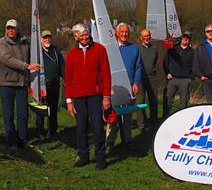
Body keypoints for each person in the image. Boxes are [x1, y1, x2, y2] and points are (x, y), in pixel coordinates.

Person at [65, 23, 111, 170]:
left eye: (86, 34)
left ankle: (100, 157)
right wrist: (69, 101)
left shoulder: (100, 49)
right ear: (76, 37)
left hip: (95, 95)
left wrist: (106, 96)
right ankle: (83, 156)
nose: (84, 37)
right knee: (81, 128)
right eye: (81, 35)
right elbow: (68, 79)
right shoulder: (72, 54)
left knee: (97, 127)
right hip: (78, 97)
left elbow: (106, 74)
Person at [0, 19, 40, 150]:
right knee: (8, 113)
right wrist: (27, 66)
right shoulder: (1, 43)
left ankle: (23, 139)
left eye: (13, 28)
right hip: (7, 83)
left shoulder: (24, 42)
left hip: (22, 83)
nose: (11, 30)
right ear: (5, 29)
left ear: (17, 29)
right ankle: (11, 141)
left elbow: (31, 57)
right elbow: (6, 59)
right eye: (8, 28)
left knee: (23, 113)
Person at [106, 23, 142, 153]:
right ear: (116, 33)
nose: (124, 34)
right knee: (112, 117)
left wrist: (136, 82)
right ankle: (110, 142)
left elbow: (138, 67)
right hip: (113, 88)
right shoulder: (110, 48)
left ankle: (127, 140)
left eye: (126, 32)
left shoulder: (134, 48)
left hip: (129, 88)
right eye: (121, 31)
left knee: (127, 117)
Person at [36, 30, 65, 138]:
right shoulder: (37, 52)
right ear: (41, 39)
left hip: (54, 85)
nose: (47, 40)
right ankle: (40, 131)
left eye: (48, 37)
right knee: (41, 110)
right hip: (41, 86)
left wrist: (66, 78)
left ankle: (53, 131)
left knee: (53, 109)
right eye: (45, 38)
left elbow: (62, 66)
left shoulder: (56, 51)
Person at [163, 31, 195, 116]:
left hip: (185, 80)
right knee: (168, 100)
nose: (185, 39)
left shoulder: (193, 52)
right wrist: (167, 72)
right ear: (181, 37)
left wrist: (190, 78)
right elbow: (166, 61)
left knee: (184, 102)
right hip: (172, 78)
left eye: (188, 37)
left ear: (190, 39)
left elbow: (195, 66)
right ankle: (166, 118)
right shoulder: (173, 48)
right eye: (184, 36)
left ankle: (182, 118)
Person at [136, 29, 160, 129]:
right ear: (141, 37)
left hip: (152, 77)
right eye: (144, 36)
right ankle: (141, 124)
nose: (147, 38)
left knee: (153, 100)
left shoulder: (154, 49)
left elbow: (156, 61)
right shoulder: (137, 49)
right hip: (140, 78)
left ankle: (154, 122)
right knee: (140, 101)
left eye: (148, 36)